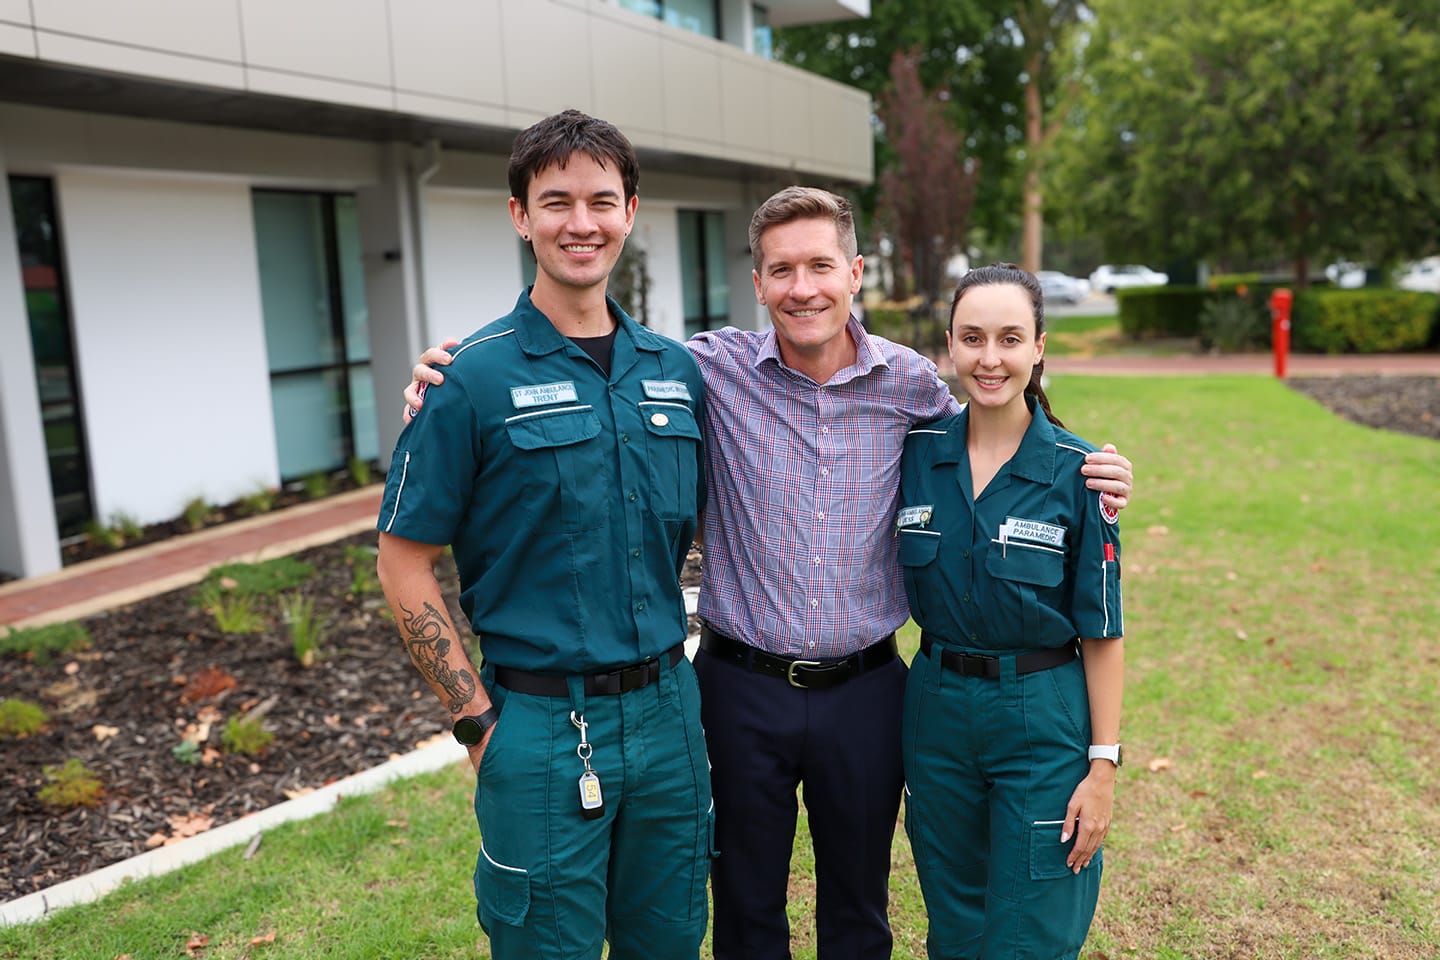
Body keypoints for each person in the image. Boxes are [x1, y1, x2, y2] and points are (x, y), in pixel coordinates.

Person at [404, 187, 1135, 959]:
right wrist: (448, 377)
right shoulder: (704, 371)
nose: (803, 287)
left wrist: (1093, 467)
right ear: (758, 283)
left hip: (867, 690)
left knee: (858, 902)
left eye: (821, 264)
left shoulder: (912, 384)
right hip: (740, 687)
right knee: (745, 901)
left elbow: (1000, 417)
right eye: (781, 269)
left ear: (854, 272)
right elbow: (604, 368)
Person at [375, 110, 711, 960]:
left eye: (602, 200)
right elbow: (404, 559)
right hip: (538, 726)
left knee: (670, 939)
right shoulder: (469, 378)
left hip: (672, 717)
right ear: (520, 215)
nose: (581, 223)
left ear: (631, 210)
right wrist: (475, 721)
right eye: (555, 201)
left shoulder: (676, 372)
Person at [895, 263, 1124, 960]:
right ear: (950, 347)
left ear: (1039, 347)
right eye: (972, 339)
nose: (990, 359)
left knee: (1034, 927)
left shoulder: (1082, 473)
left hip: (1041, 712)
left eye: (1009, 339)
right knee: (955, 921)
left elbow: (1103, 631)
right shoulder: (914, 455)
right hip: (935, 711)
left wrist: (1103, 765)